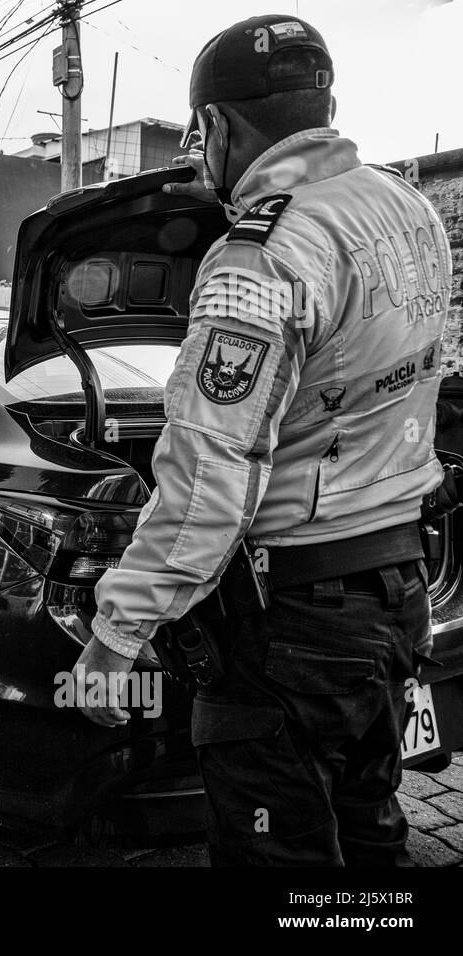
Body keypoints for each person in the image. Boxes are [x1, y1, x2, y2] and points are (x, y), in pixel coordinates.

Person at [72, 15, 451, 866]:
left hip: (293, 629)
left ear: (210, 128)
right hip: (396, 594)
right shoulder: (410, 211)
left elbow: (213, 474)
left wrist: (119, 632)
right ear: (326, 107)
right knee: (372, 837)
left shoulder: (262, 256)